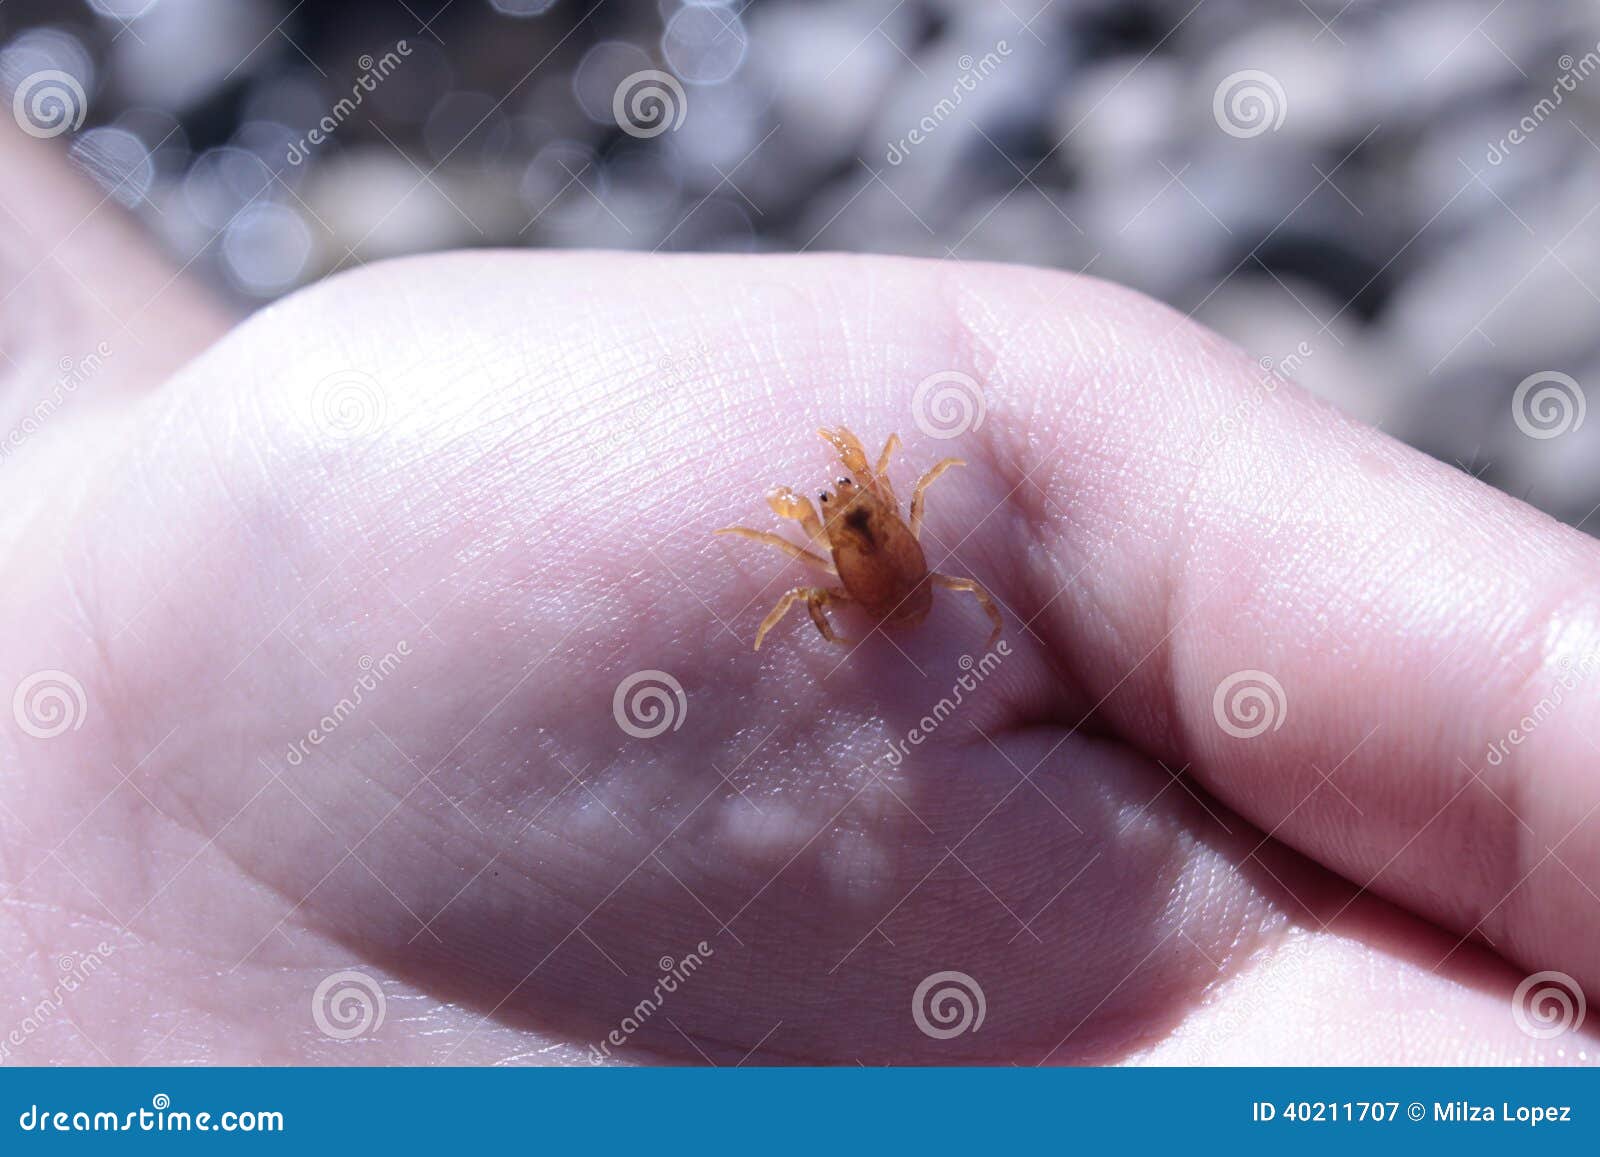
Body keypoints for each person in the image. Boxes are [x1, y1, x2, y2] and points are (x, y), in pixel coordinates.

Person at [1, 123, 1594, 1065]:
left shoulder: (854, 526)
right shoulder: (849, 527)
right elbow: (833, 562)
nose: (837, 497)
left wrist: (72, 467)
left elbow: (848, 555)